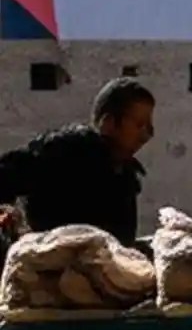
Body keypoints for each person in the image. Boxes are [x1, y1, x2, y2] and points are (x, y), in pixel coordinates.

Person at [0, 77, 155, 246]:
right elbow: (7, 174)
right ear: (109, 122)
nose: (147, 135)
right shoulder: (68, 151)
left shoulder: (125, 175)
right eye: (140, 125)